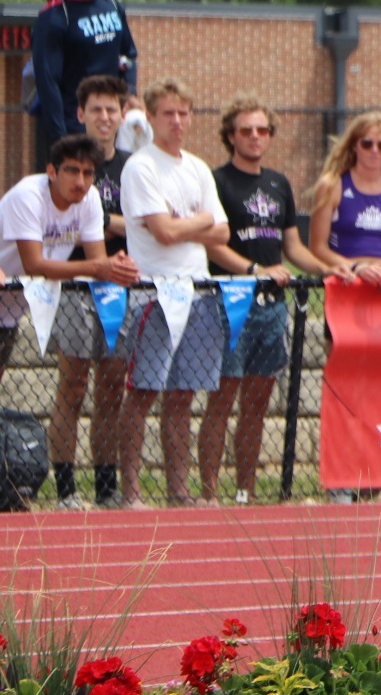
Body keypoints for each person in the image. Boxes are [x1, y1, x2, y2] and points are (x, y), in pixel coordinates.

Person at [197, 97, 325, 504]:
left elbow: (293, 247)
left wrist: (327, 269)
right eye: (246, 130)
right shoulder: (216, 181)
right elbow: (213, 247)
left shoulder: (278, 183)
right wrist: (252, 271)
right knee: (222, 399)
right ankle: (209, 492)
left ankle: (245, 492)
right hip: (230, 301)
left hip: (272, 305)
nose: (255, 137)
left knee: (257, 404)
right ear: (230, 136)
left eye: (262, 130)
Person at [0, 135, 139, 508]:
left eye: (88, 172)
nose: (81, 181)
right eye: (72, 171)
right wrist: (100, 266)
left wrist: (118, 267)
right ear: (51, 172)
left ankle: (96, 489)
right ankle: (61, 489)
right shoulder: (28, 196)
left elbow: (97, 265)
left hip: (9, 312)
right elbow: (35, 265)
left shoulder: (89, 200)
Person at [120, 79, 230, 507]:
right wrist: (196, 222)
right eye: (168, 113)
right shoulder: (141, 167)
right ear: (150, 117)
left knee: (183, 396)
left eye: (184, 113)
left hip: (198, 291)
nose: (178, 121)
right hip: (155, 293)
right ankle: (130, 492)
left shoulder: (199, 168)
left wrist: (191, 223)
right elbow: (163, 233)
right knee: (144, 392)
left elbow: (222, 230)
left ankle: (179, 491)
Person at [66, 74, 136, 505]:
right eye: (96, 110)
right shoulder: (66, 159)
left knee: (112, 387)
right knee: (72, 387)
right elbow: (63, 220)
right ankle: (65, 488)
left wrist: (96, 220)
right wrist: (104, 223)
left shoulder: (134, 167)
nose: (105, 117)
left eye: (112, 109)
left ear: (122, 115)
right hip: (75, 284)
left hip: (121, 286)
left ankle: (106, 487)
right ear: (81, 114)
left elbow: (148, 223)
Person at [32, 0, 138, 160]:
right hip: (75, 127)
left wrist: (130, 93)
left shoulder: (112, 4)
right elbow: (47, 81)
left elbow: (128, 54)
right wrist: (60, 138)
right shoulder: (54, 16)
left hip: (111, 125)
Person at [309, 113, 381, 292]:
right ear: (354, 146)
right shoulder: (333, 185)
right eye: (367, 144)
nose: (375, 150)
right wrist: (357, 267)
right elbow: (318, 247)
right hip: (347, 279)